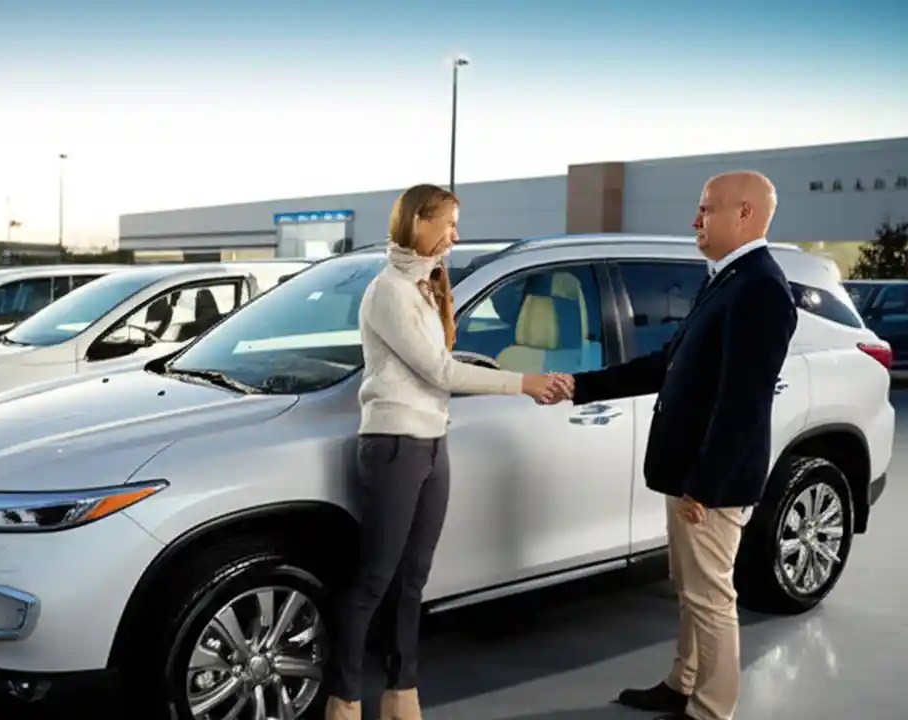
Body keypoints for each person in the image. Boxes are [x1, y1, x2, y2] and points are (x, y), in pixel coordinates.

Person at [550, 171, 797, 720]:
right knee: (689, 590)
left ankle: (711, 709)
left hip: (709, 483)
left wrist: (704, 488)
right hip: (690, 472)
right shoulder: (728, 279)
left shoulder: (759, 289)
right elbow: (671, 365)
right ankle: (683, 682)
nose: (695, 220)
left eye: (706, 209)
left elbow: (742, 404)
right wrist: (583, 387)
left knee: (711, 600)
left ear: (745, 215)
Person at [325, 183, 570, 720]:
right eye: (450, 223)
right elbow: (437, 371)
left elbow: (440, 369)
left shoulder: (426, 286)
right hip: (395, 445)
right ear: (418, 222)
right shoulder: (388, 290)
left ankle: (401, 694)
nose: (457, 235)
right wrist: (523, 383)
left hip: (432, 443)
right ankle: (342, 700)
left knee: (414, 580)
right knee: (373, 581)